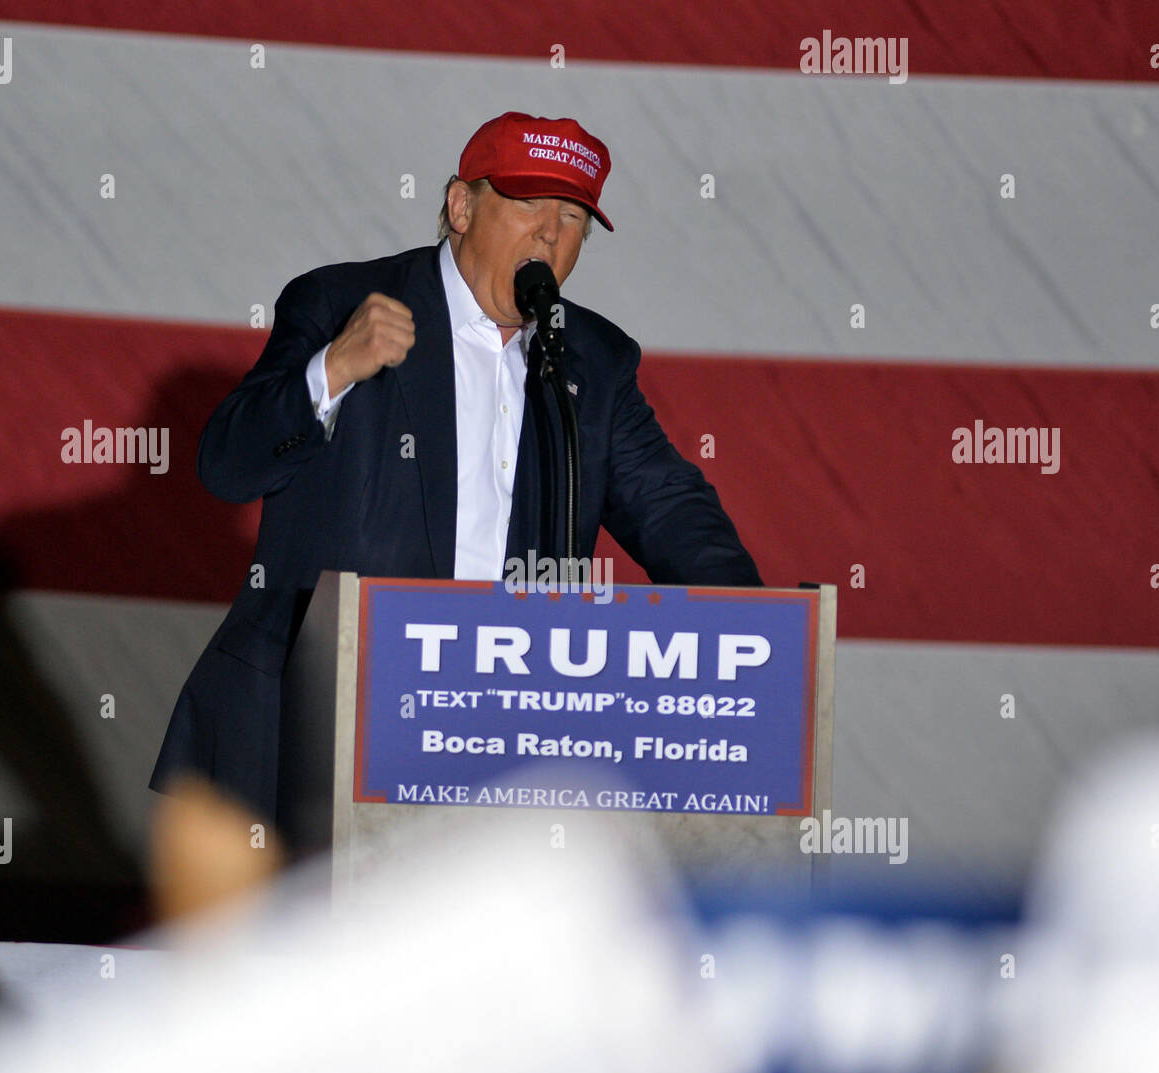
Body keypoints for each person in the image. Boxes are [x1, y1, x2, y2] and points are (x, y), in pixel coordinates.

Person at [150, 111, 761, 822]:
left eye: (573, 218)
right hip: (309, 731)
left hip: (486, 748)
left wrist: (760, 633)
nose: (550, 235)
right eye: (529, 203)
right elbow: (227, 464)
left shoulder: (592, 360)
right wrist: (332, 370)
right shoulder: (341, 304)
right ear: (460, 206)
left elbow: (670, 507)